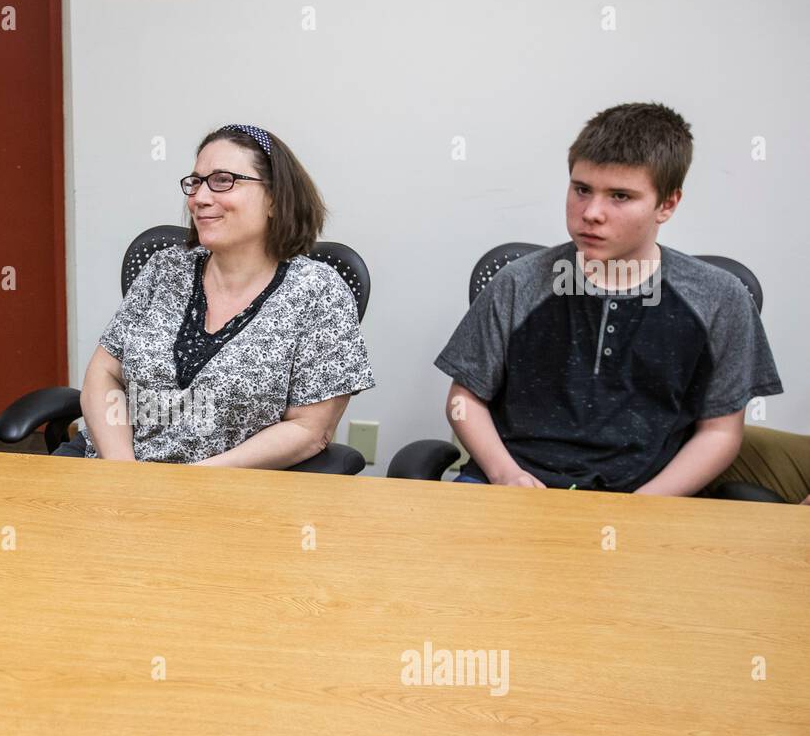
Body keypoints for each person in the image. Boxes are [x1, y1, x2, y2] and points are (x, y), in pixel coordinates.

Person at [434, 103, 782, 494]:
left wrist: (645, 503)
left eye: (620, 196)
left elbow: (720, 432)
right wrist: (505, 475)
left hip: (647, 497)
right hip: (512, 484)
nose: (592, 213)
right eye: (582, 190)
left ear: (667, 204)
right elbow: (464, 400)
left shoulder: (720, 298)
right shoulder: (517, 282)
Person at [63, 124, 374, 468]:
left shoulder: (320, 293)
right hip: (111, 465)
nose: (200, 198)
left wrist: (190, 482)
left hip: (225, 488)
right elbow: (104, 372)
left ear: (274, 198)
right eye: (195, 182)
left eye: (223, 180)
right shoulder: (165, 267)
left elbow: (310, 429)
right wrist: (123, 468)